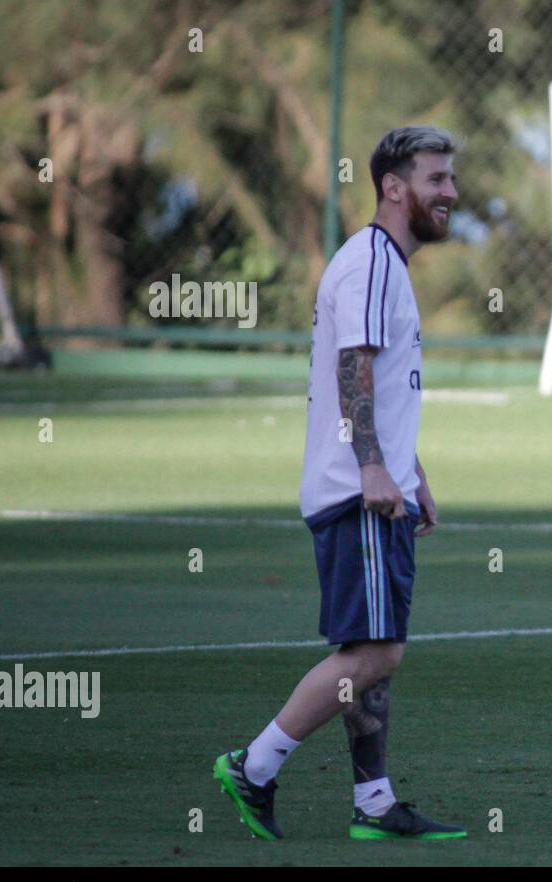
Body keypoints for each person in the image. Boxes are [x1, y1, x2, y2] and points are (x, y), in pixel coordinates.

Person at [213, 126, 470, 837]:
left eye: (450, 179)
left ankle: (374, 804)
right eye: (436, 179)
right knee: (375, 651)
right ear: (394, 186)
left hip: (372, 485)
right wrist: (372, 468)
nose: (451, 192)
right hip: (355, 490)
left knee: (372, 647)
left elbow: (383, 386)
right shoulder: (371, 264)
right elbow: (352, 367)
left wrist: (410, 468)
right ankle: (254, 767)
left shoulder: (383, 262)